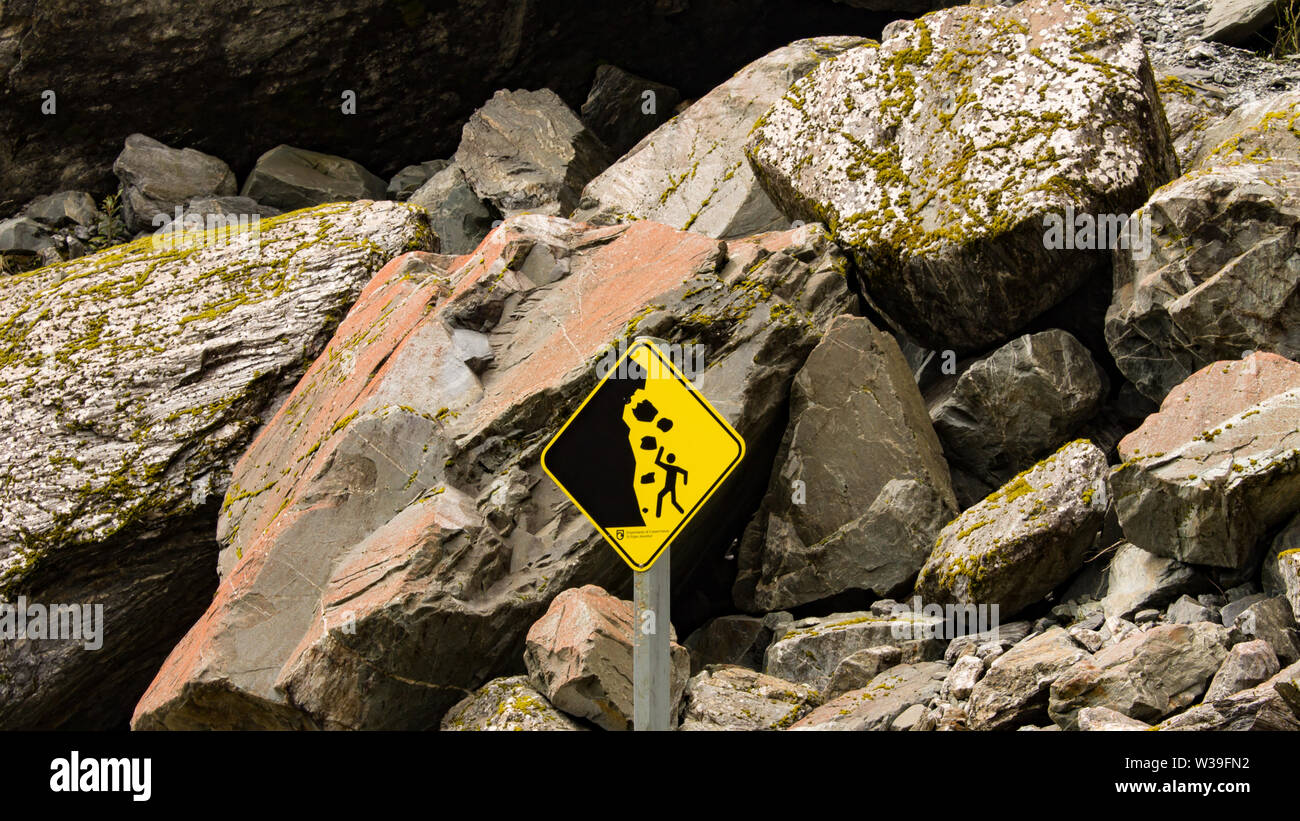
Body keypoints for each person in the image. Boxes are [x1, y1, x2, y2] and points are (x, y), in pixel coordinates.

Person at [654, 446, 687, 517]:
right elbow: (685, 472)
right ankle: (681, 511)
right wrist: (685, 481)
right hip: (670, 487)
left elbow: (657, 461)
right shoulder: (674, 468)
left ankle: (658, 514)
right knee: (673, 501)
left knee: (662, 497)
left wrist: (661, 450)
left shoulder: (670, 467)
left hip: (669, 487)